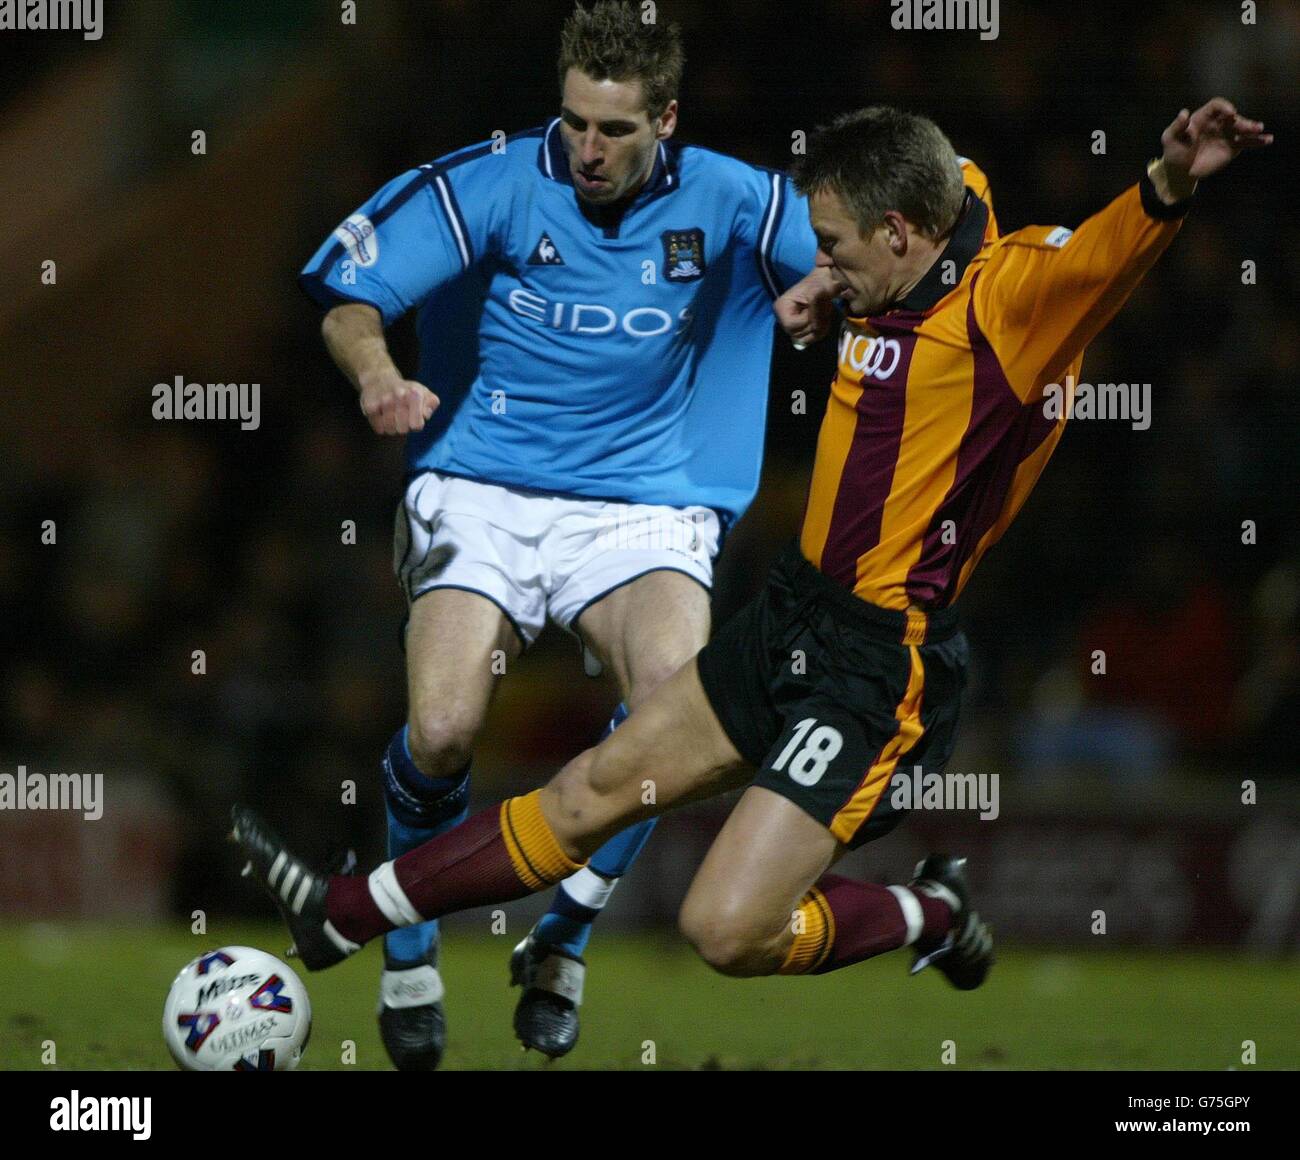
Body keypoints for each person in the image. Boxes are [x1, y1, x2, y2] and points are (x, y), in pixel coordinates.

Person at [240, 97, 1267, 1010]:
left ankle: (927, 913)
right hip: (791, 616)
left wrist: (1170, 178)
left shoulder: (1013, 304)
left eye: (834, 245)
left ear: (900, 233)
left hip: (877, 668)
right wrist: (831, 284)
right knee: (586, 793)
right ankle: (344, 912)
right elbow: (940, 180)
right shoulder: (937, 212)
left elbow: (1108, 251)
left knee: (724, 927)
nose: (819, 261)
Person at [295, 1, 820, 1066]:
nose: (587, 148)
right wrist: (380, 372)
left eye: (615, 129)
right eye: (575, 121)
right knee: (443, 730)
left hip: (641, 507)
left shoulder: (734, 197)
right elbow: (347, 302)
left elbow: (875, 255)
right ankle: (410, 943)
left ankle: (562, 937)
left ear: (664, 119)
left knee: (674, 716)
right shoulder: (489, 180)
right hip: (482, 489)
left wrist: (828, 289)